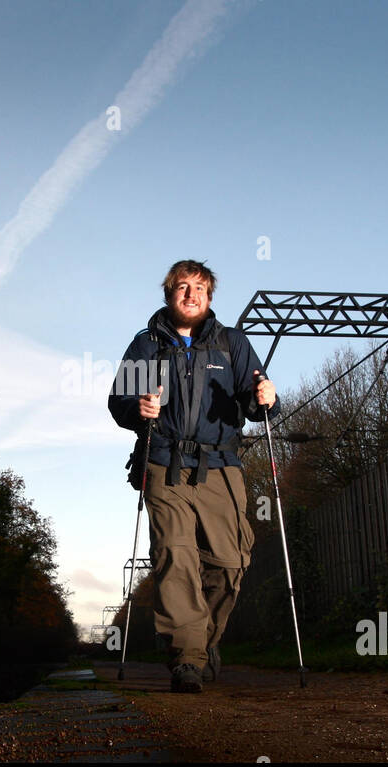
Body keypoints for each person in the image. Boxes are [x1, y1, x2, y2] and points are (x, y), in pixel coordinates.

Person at [107, 260, 278, 693]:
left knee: (231, 562)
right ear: (168, 294)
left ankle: (204, 640)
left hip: (221, 466)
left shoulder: (232, 344)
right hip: (163, 462)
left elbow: (258, 404)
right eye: (182, 287)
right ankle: (186, 657)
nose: (190, 294)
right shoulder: (148, 344)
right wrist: (137, 409)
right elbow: (120, 402)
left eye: (199, 287)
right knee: (175, 555)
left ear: (209, 296)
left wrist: (267, 400)